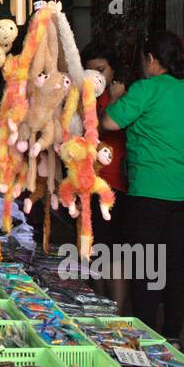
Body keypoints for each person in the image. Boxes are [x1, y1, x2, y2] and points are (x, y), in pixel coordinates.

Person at [101, 31, 184, 343]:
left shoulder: (145, 89)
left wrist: (118, 98)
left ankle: (145, 332)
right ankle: (173, 334)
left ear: (150, 59)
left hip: (149, 192)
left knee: (145, 263)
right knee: (175, 264)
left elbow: (109, 123)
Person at [81, 43, 129, 311]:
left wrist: (118, 100)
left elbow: (103, 126)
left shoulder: (122, 97)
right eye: (90, 71)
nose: (95, 76)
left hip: (114, 186)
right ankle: (100, 306)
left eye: (100, 70)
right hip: (88, 184)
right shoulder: (87, 96)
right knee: (95, 249)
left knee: (115, 251)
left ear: (114, 71)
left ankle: (118, 310)